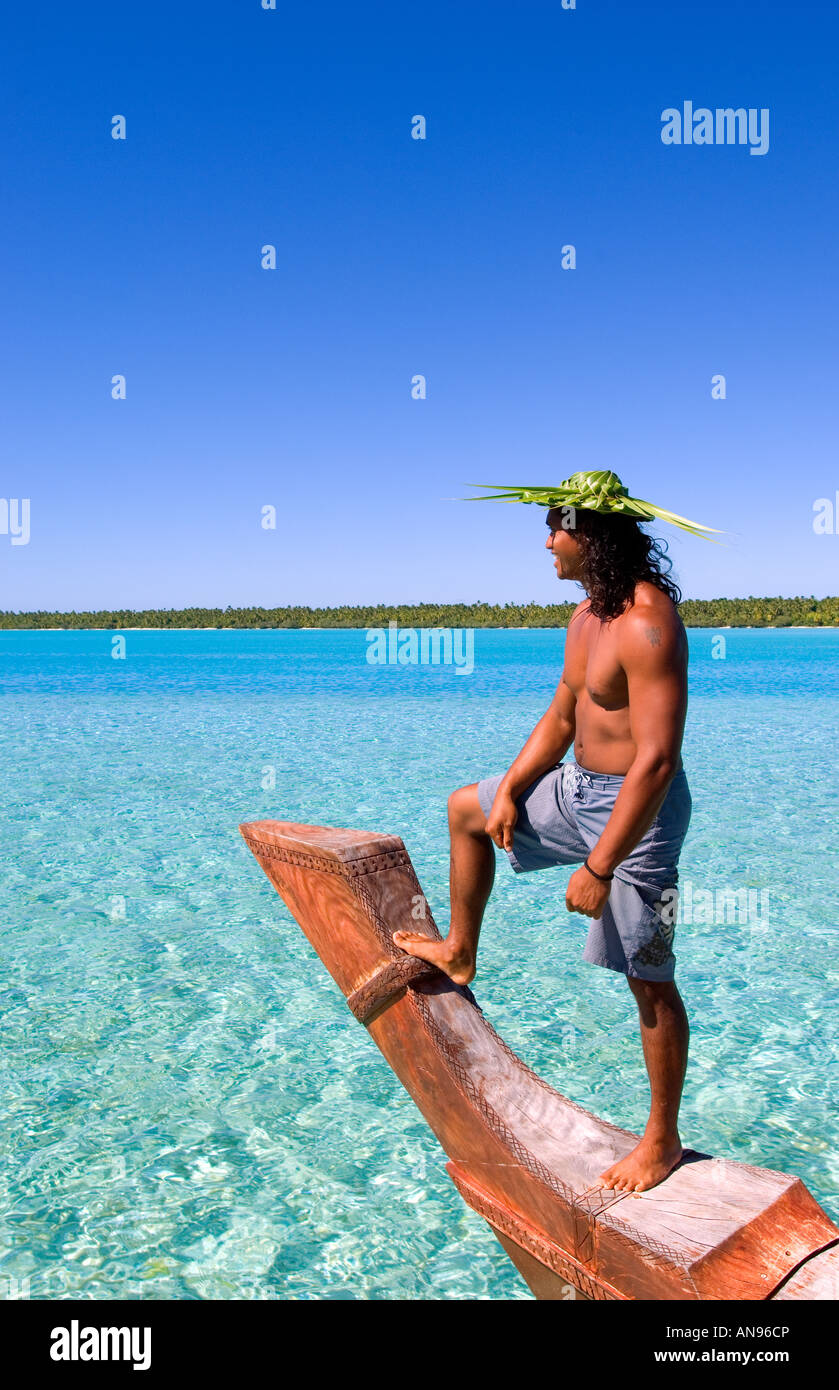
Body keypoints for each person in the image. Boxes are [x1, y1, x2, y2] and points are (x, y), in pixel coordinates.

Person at [393, 470, 720, 1194]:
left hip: (641, 816)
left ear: (590, 536)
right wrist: (510, 789)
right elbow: (564, 714)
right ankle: (459, 951)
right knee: (464, 811)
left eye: (556, 530)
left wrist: (600, 866)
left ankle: (661, 1139)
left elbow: (658, 758)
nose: (547, 544)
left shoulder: (646, 622)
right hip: (579, 789)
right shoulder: (584, 618)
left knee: (648, 980)